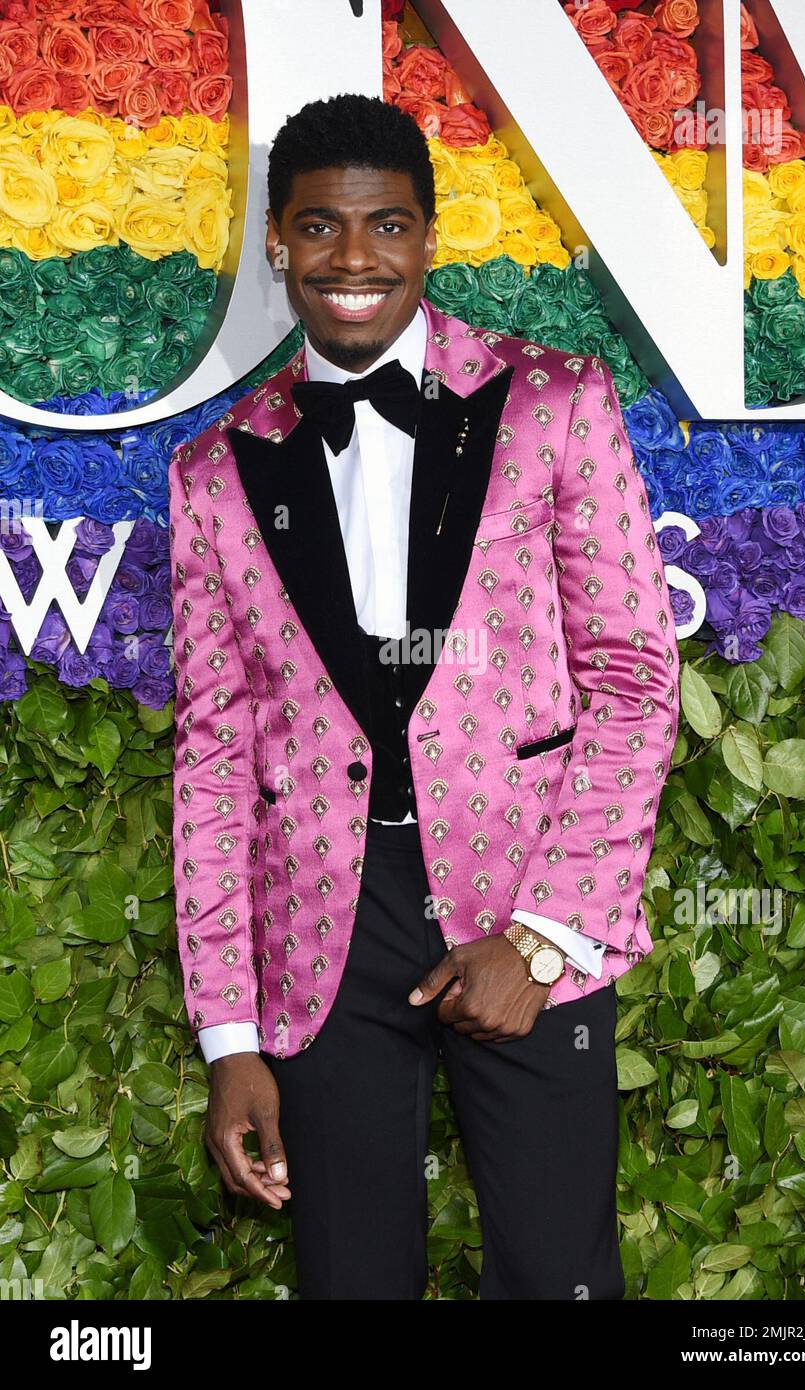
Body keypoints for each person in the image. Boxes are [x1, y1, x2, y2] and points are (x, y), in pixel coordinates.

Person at [169, 92, 680, 1300]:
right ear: (277, 244)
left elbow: (631, 676)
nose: (355, 260)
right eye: (321, 228)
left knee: (559, 1274)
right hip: (322, 936)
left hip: (521, 902)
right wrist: (231, 1038)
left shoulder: (553, 402)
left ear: (429, 238)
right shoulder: (212, 471)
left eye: (386, 225)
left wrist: (545, 934)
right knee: (349, 1278)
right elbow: (211, 761)